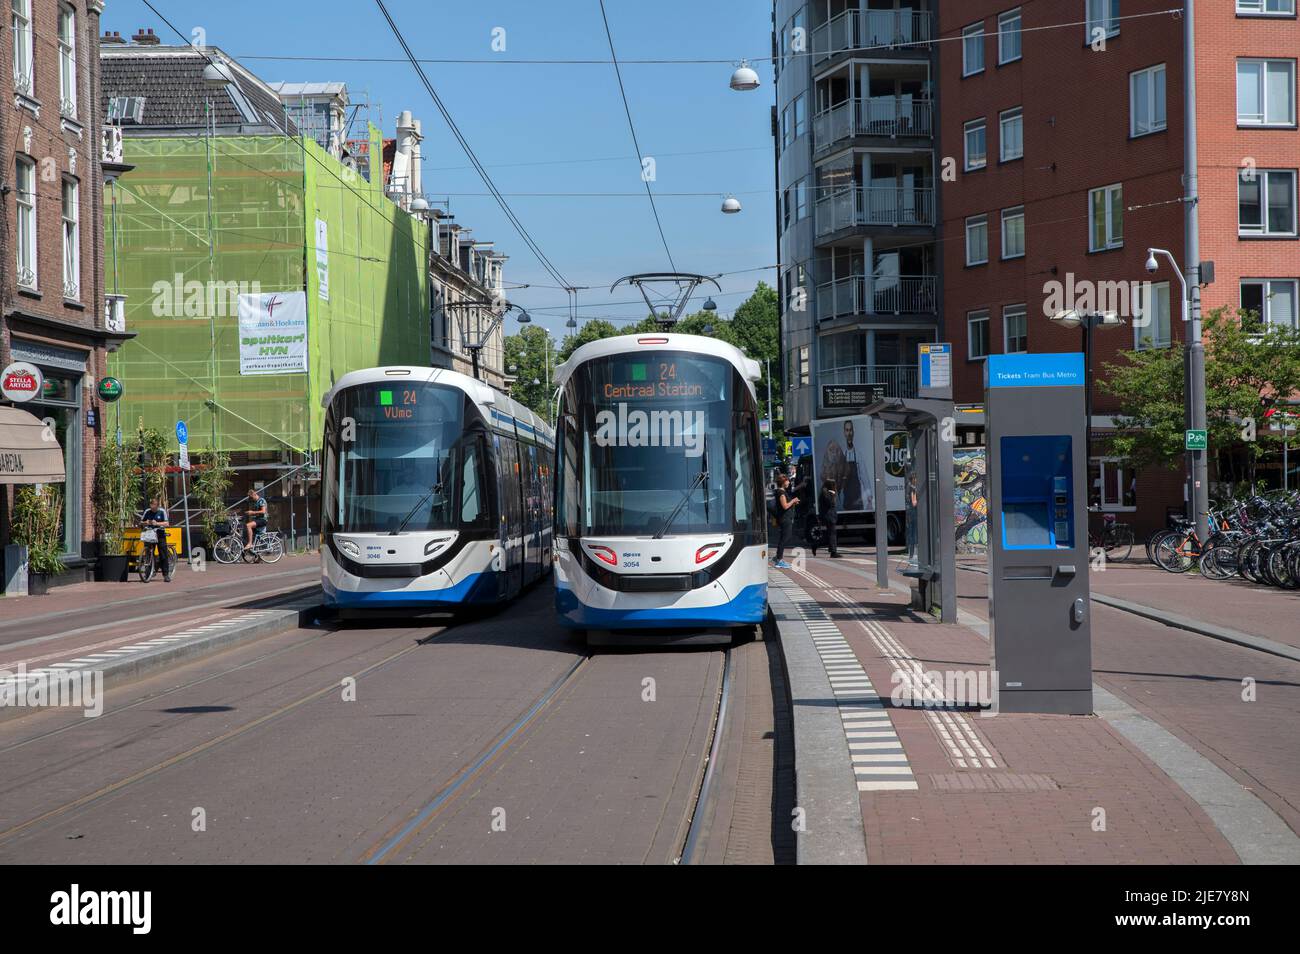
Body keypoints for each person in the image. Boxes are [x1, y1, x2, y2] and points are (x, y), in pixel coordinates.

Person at [140, 497, 173, 583]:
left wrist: (157, 523)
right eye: (151, 506)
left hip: (160, 534)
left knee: (163, 553)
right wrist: (145, 522)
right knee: (148, 553)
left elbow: (167, 523)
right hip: (150, 534)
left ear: (157, 506)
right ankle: (148, 573)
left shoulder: (162, 512)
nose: (152, 508)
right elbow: (141, 522)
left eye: (154, 507)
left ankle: (166, 575)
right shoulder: (147, 511)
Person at [771, 473, 799, 569]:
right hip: (784, 519)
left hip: (784, 518)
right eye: (787, 481)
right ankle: (779, 560)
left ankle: (777, 557)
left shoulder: (781, 491)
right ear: (783, 482)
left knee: (785, 537)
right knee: (784, 538)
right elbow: (785, 506)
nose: (789, 482)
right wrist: (793, 501)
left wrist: (793, 502)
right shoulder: (781, 493)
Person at [814, 477, 841, 558]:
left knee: (829, 534)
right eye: (834, 484)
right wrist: (833, 495)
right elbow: (831, 504)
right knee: (832, 534)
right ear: (831, 485)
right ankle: (833, 552)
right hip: (829, 516)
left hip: (827, 516)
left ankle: (815, 546)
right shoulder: (827, 493)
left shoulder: (824, 492)